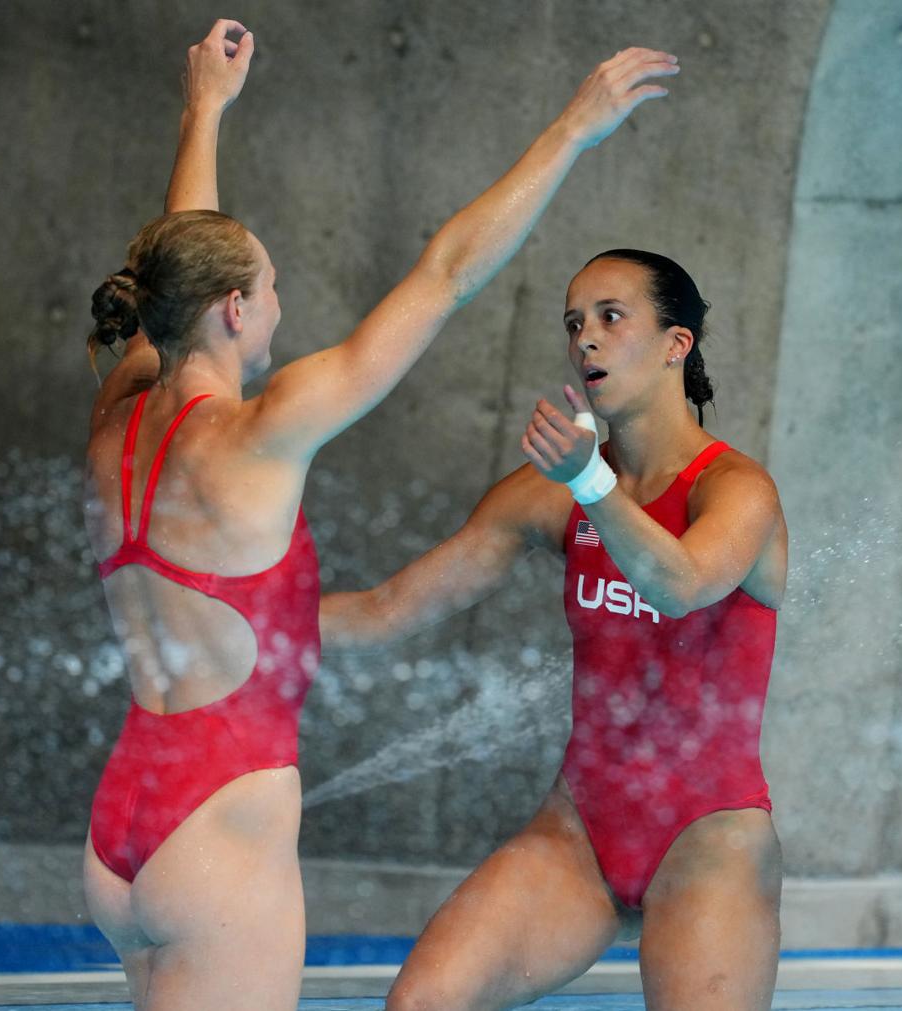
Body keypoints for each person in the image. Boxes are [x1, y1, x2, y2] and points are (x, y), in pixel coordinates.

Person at [81, 20, 678, 1009]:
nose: (278, 304)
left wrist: (205, 112)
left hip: (123, 823)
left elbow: (177, 269)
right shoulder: (262, 431)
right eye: (270, 290)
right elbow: (445, 274)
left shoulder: (120, 416)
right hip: (218, 832)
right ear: (234, 311)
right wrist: (572, 131)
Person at [322, 249, 788, 1010]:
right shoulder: (556, 491)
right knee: (423, 1001)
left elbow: (681, 583)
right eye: (575, 323)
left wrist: (591, 484)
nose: (587, 339)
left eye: (612, 316)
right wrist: (245, 620)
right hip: (582, 828)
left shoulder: (736, 490)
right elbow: (389, 606)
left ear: (678, 343)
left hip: (710, 838)